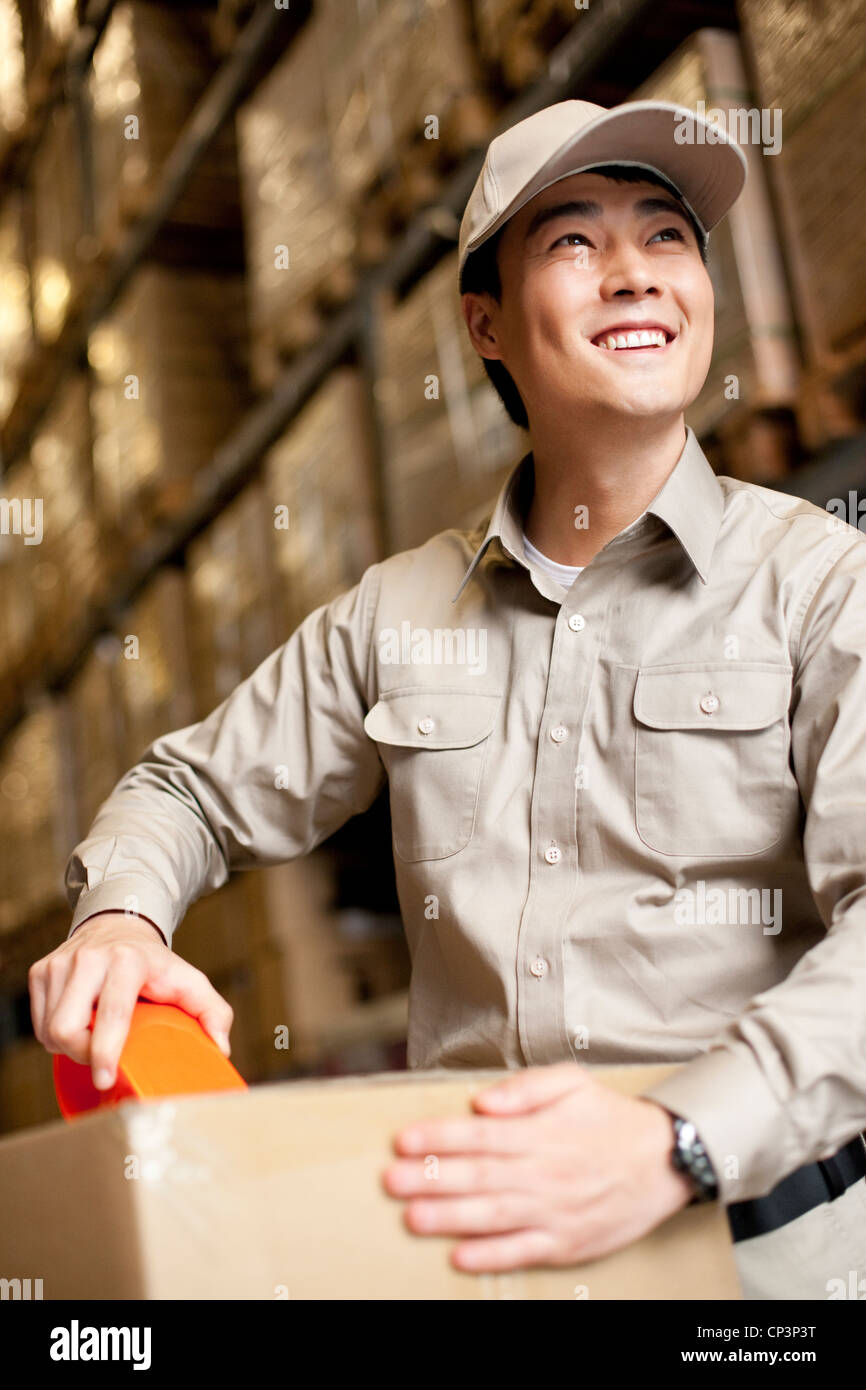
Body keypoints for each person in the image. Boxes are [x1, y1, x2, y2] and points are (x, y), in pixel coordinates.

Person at [30, 99, 866, 1300]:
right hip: (489, 1257)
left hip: (766, 1253)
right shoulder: (396, 614)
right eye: (574, 242)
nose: (633, 273)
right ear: (485, 323)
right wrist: (120, 918)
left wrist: (678, 1137)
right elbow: (185, 791)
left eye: (667, 236)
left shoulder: (820, 585)